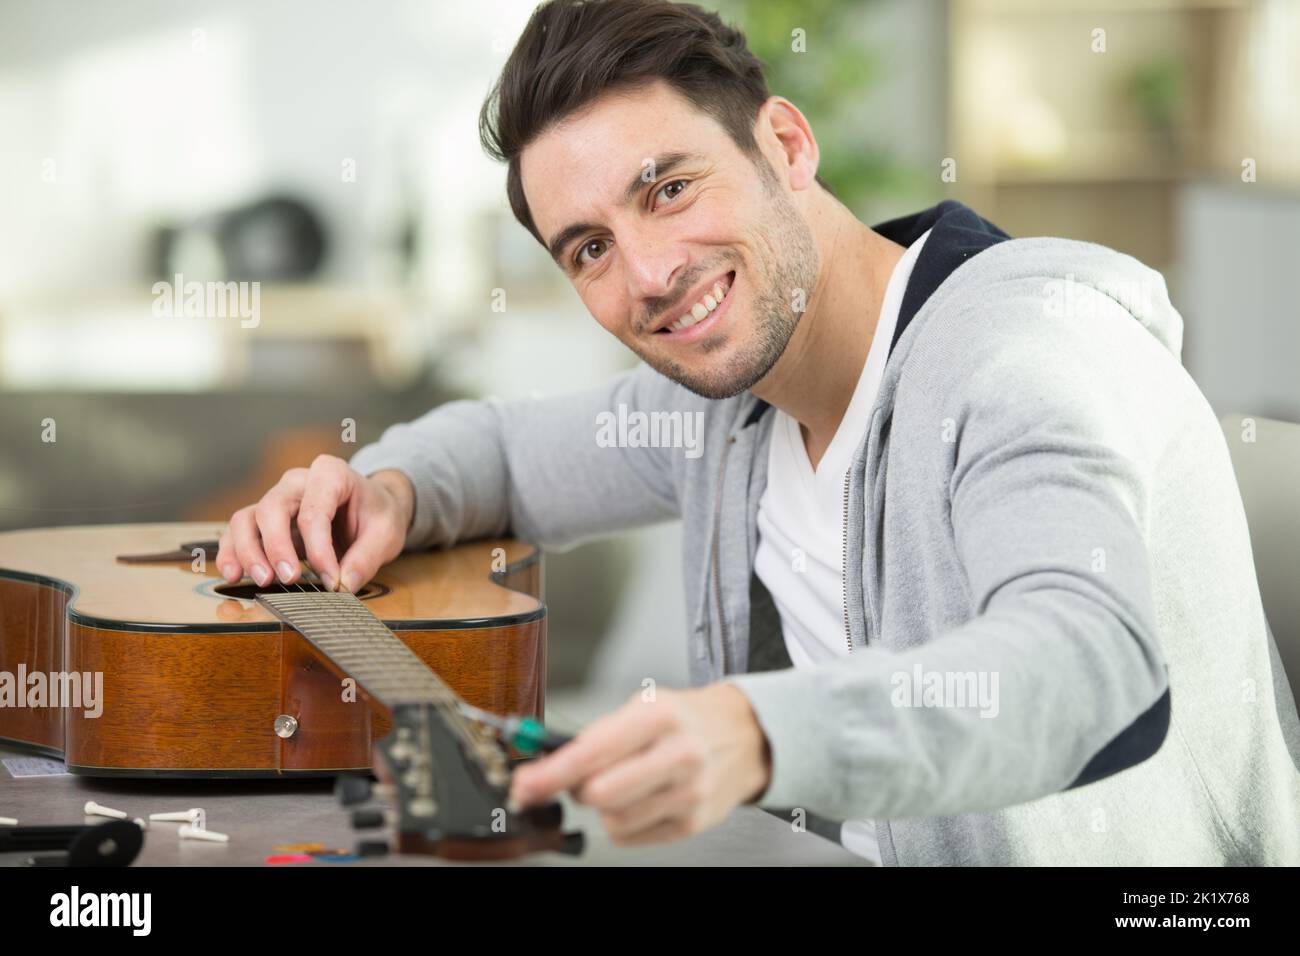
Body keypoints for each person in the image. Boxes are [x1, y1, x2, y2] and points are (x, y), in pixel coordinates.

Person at [216, 0, 1300, 864]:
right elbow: (501, 451)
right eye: (587, 247)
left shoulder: (1022, 353)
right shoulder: (725, 408)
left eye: (670, 187)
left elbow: (1088, 662)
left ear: (784, 141)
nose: (647, 273)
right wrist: (382, 488)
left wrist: (758, 730)